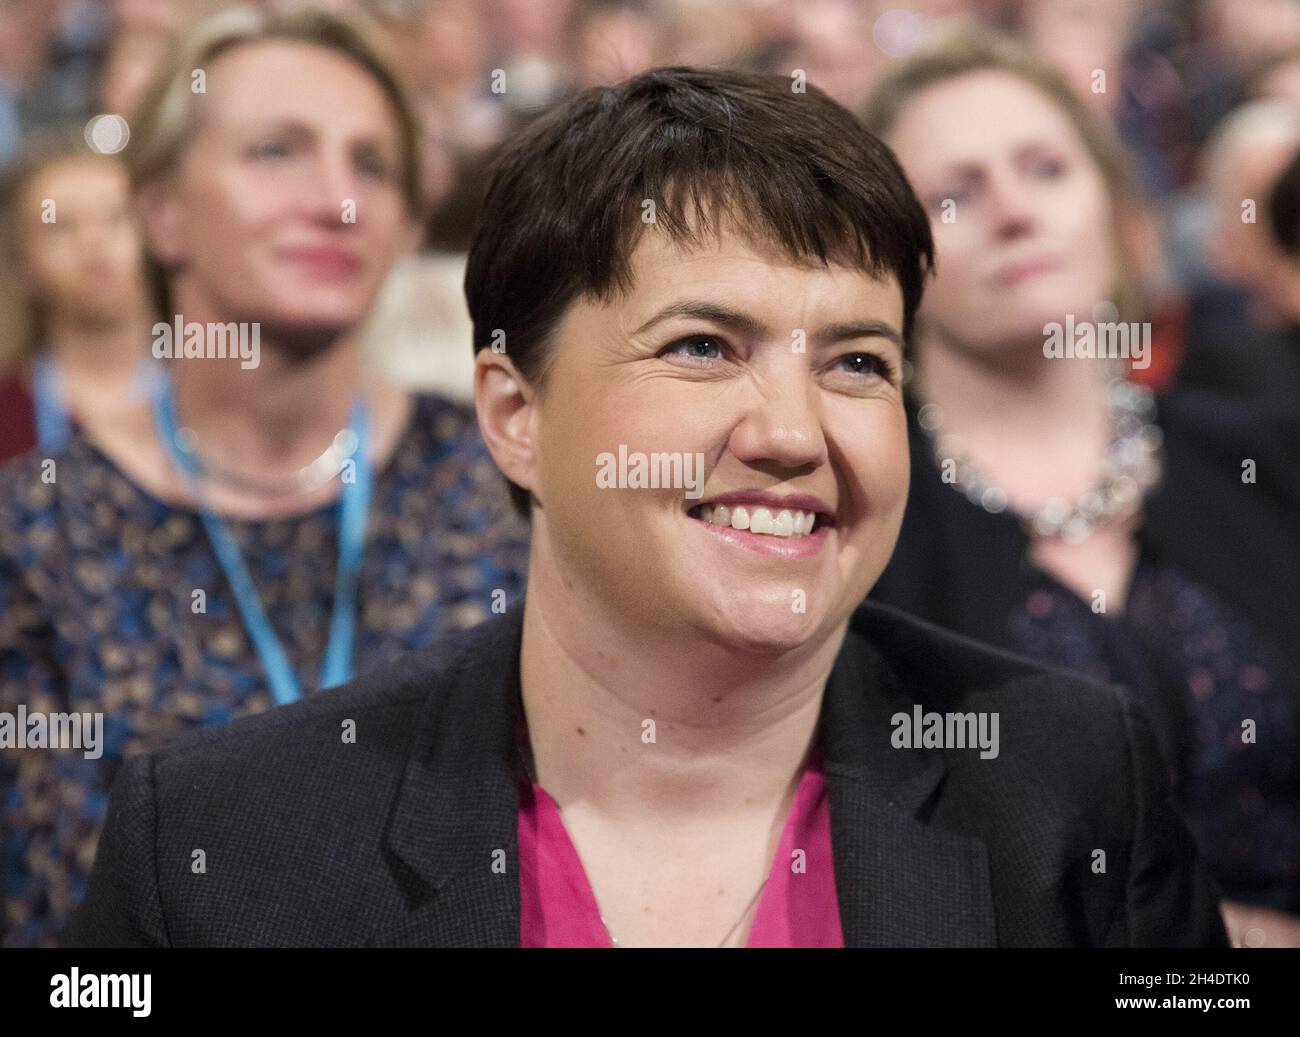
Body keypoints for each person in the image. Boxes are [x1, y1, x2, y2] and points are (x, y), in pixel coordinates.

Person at [65, 64, 1226, 949]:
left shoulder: (1073, 787)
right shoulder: (229, 842)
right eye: (703, 346)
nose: (789, 430)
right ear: (515, 413)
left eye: (857, 361)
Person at [0, 5, 529, 948]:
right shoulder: (36, 528)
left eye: (372, 164)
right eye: (277, 151)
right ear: (161, 210)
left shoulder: (502, 482)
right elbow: (50, 914)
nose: (337, 199)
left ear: (409, 224)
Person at [860, 30, 1300, 946]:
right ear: (885, 265)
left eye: (1046, 168)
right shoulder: (862, 526)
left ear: (1115, 206)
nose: (1015, 212)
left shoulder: (1272, 458)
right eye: (954, 194)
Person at [0, 126, 156, 463]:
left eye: (116, 217)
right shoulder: (8, 413)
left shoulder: (218, 398)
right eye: (60, 226)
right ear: (20, 262)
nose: (94, 244)